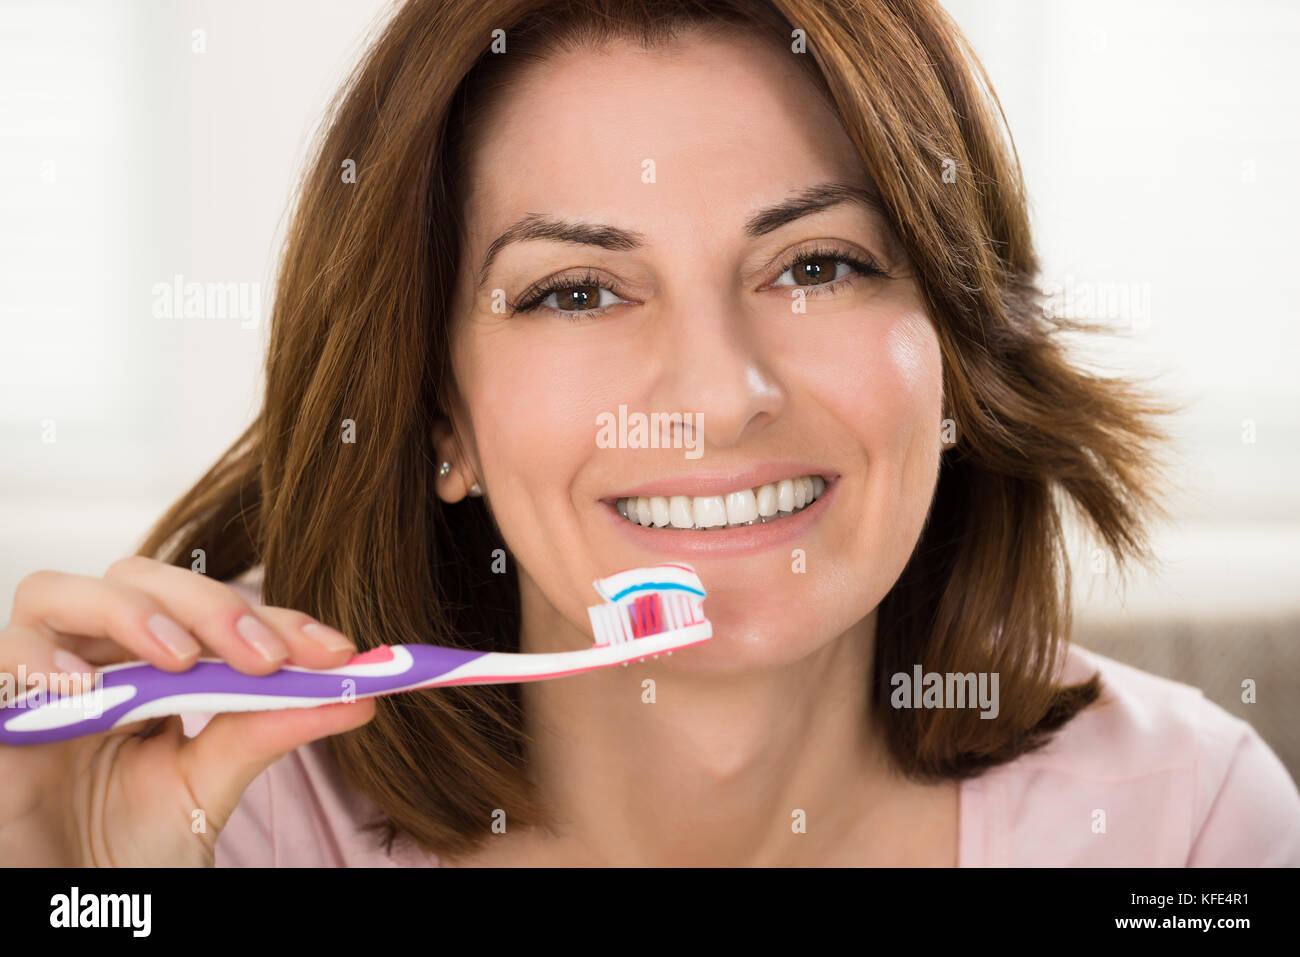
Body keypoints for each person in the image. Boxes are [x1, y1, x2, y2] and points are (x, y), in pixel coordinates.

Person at [2, 0, 1297, 867]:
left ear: (952, 354)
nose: (715, 392)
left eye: (820, 265)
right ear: (437, 416)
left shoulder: (1183, 828)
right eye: (576, 290)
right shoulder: (240, 821)